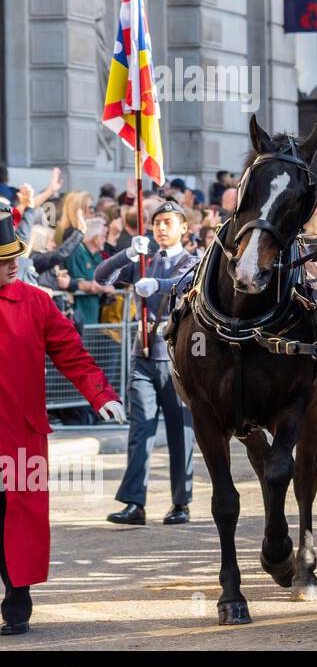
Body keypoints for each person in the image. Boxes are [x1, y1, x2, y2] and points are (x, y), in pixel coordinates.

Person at [0, 212, 125, 636]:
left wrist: (102, 395)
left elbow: (72, 354)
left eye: (14, 254)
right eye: (3, 260)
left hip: (21, 436)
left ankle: (17, 597)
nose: (13, 263)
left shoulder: (36, 302)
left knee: (18, 520)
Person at [94, 199, 198, 526]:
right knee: (140, 431)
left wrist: (159, 285)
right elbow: (101, 276)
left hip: (174, 357)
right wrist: (127, 253)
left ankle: (180, 502)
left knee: (181, 432)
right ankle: (134, 502)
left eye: (169, 222)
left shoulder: (191, 260)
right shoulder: (144, 261)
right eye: (157, 223)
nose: (162, 228)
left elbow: (186, 284)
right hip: (143, 356)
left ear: (184, 227)